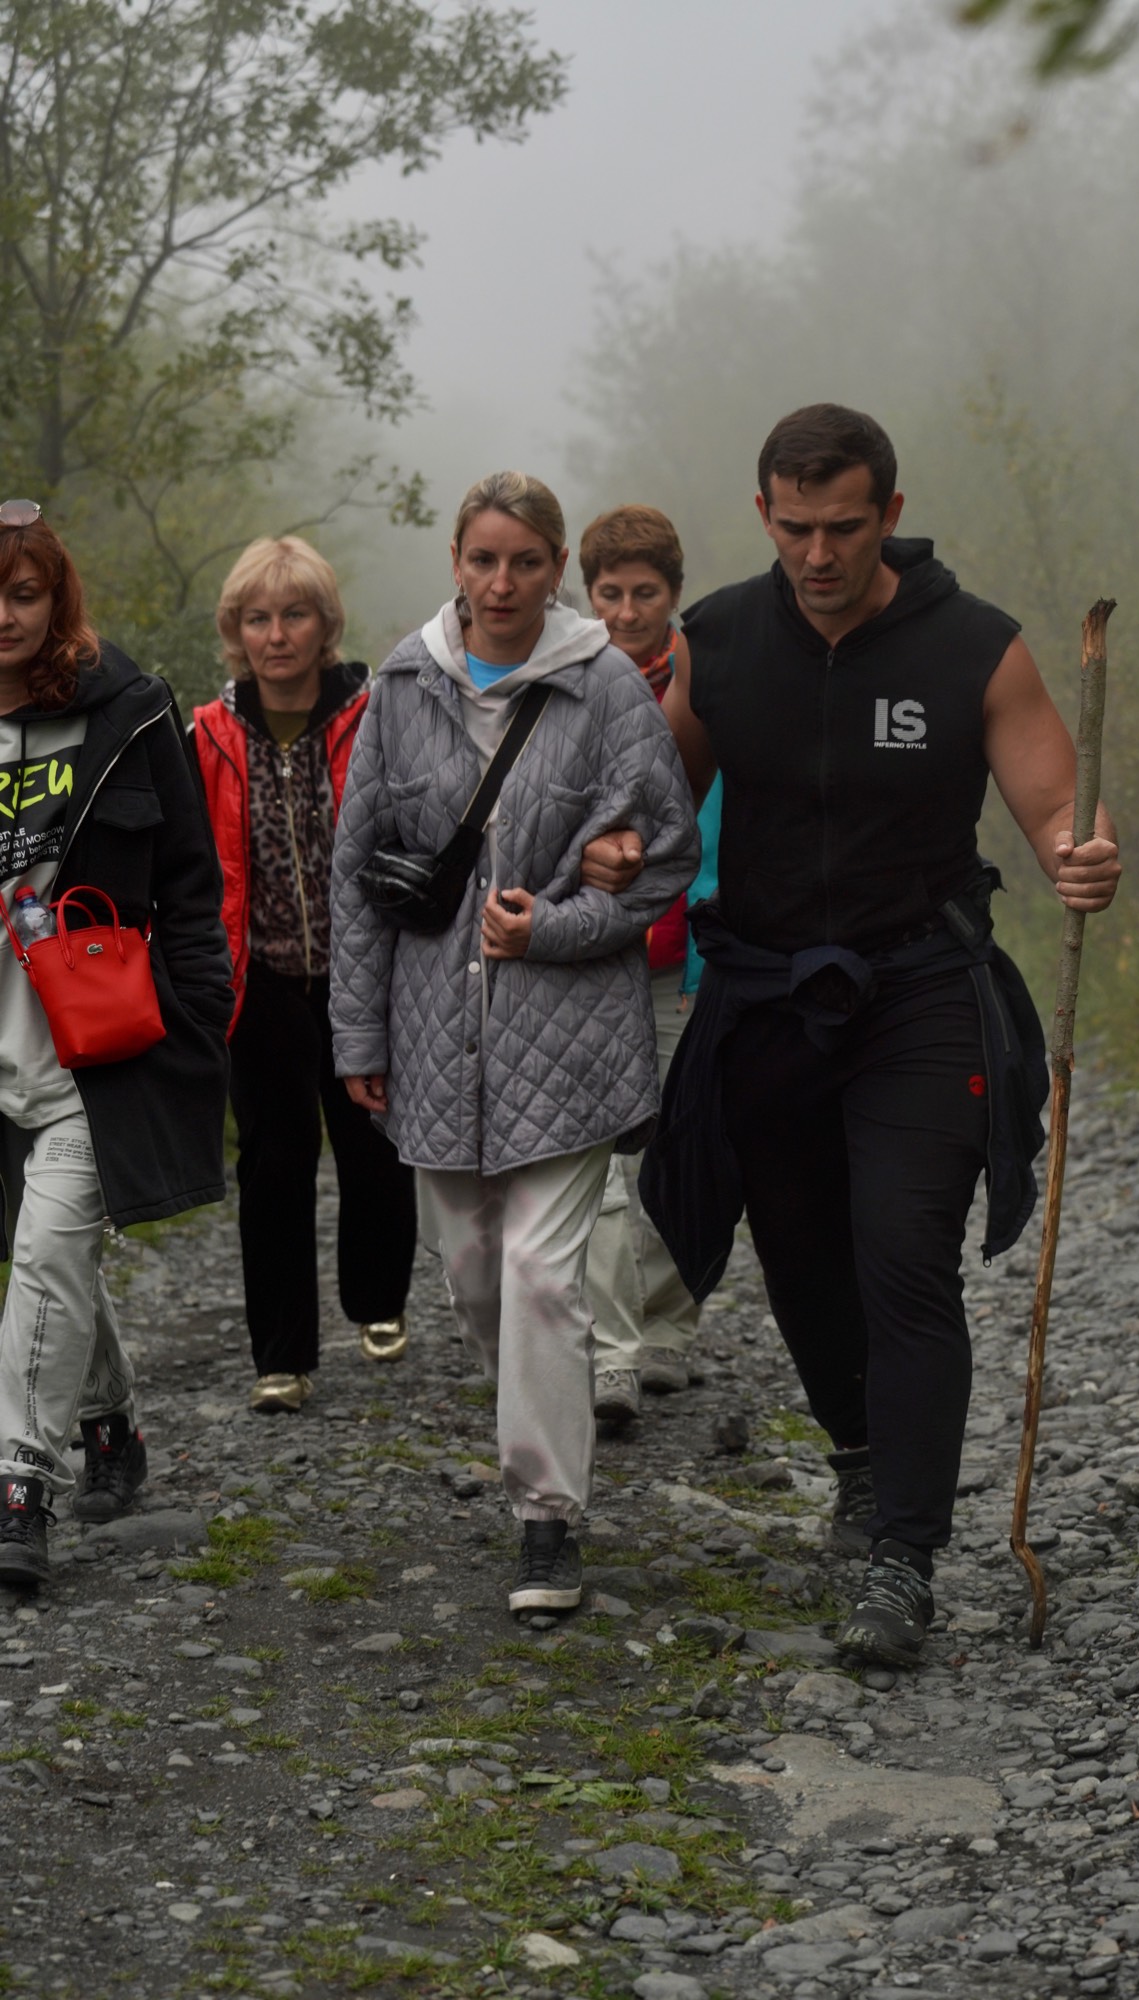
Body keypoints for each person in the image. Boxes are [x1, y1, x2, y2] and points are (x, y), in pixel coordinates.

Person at [611, 404, 1122, 1668]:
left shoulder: (974, 648)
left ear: (888, 513)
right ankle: (853, 1449)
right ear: (761, 514)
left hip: (917, 986)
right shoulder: (716, 640)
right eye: (794, 528)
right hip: (765, 995)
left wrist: (1080, 854)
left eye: (843, 527)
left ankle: (902, 1553)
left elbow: (1056, 803)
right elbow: (651, 803)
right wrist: (611, 851)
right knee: (797, 1254)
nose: (818, 553)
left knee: (902, 1252)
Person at [329, 472, 697, 1615]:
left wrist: (563, 924)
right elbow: (355, 870)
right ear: (454, 559)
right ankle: (543, 1410)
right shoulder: (400, 683)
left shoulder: (604, 690)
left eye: (524, 562)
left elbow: (666, 856)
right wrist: (356, 1026)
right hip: (433, 1027)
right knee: (474, 1275)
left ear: (554, 571)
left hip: (571, 1029)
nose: (501, 583)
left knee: (544, 1273)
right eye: (482, 559)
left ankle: (547, 1515)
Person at [0, 502, 233, 1585]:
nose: (4, 617)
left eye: (23, 593)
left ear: (58, 599)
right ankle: (113, 1428)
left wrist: (201, 1013)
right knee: (41, 1260)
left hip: (91, 1056)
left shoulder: (128, 713)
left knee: (48, 1253)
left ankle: (19, 1486)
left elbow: (189, 880)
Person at [193, 537, 418, 1415]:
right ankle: (281, 1357)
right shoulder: (206, 734)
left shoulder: (375, 718)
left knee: (372, 1151)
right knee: (273, 1163)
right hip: (261, 984)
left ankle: (376, 1299)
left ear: (326, 625)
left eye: (294, 616)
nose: (276, 635)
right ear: (236, 630)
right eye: (258, 618)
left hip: (364, 975)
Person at [576, 506, 721, 1424]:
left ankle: (667, 1328)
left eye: (645, 593)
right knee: (585, 1161)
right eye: (610, 592)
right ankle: (610, 1351)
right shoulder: (562, 682)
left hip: (688, 949)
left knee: (683, 1152)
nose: (628, 611)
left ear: (674, 594)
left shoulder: (716, 683)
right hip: (586, 952)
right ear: (585, 595)